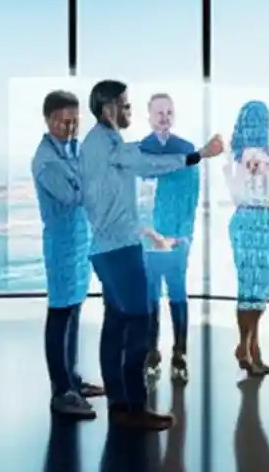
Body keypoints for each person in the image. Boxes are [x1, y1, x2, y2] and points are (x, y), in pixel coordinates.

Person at [80, 80, 224, 430]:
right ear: (109, 108)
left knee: (116, 321)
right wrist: (200, 155)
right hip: (119, 249)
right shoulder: (110, 144)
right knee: (139, 320)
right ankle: (133, 406)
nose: (130, 112)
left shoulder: (98, 143)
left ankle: (119, 403)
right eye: (126, 106)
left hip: (105, 247)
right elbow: (150, 165)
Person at [32, 90, 106, 419]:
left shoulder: (72, 149)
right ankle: (60, 390)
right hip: (62, 244)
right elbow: (74, 194)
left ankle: (73, 378)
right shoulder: (46, 161)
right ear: (49, 120)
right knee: (60, 313)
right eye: (65, 121)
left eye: (76, 121)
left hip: (80, 241)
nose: (72, 128)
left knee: (74, 310)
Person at [139, 93, 200, 384]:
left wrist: (181, 238)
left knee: (177, 294)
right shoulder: (140, 150)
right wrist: (145, 232)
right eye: (159, 113)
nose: (164, 117)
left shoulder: (186, 150)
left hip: (176, 239)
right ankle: (151, 352)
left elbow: (191, 198)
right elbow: (137, 198)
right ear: (149, 116)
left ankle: (180, 353)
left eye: (169, 112)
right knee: (150, 296)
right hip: (148, 240)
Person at [225, 101, 269, 377]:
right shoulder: (247, 157)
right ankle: (245, 347)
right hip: (252, 220)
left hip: (257, 220)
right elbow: (262, 193)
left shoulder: (244, 156)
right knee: (251, 290)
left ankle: (253, 348)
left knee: (256, 290)